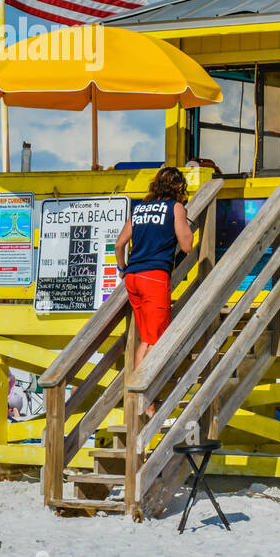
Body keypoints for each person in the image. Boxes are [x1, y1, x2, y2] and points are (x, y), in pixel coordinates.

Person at [115, 166, 194, 415]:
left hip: (133, 278)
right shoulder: (175, 208)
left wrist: (122, 267)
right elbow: (187, 245)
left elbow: (119, 244)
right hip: (154, 278)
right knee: (156, 341)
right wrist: (184, 222)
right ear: (178, 188)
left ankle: (140, 397)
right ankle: (146, 401)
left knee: (146, 338)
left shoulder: (138, 209)